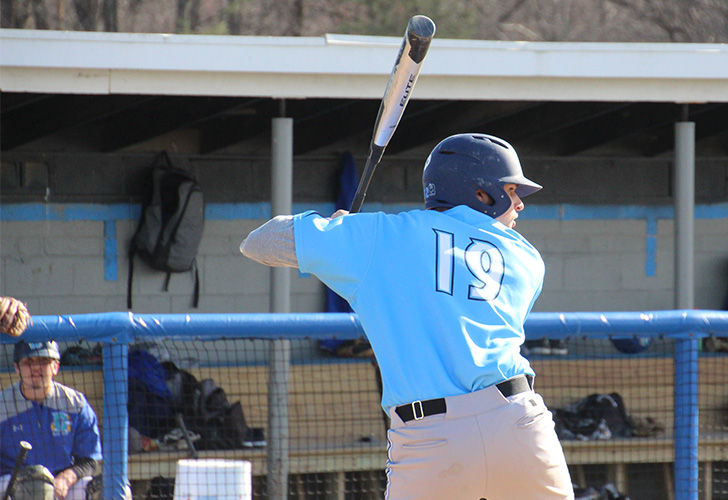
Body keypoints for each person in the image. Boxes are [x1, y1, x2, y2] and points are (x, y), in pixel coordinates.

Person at [241, 133, 573, 499]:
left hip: (429, 437)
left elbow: (257, 242)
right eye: (511, 191)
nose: (519, 204)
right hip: (519, 425)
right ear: (480, 193)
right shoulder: (527, 259)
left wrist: (338, 231)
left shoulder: (383, 234)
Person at [1, 340, 102, 500]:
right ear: (17, 368)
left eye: (43, 361)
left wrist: (67, 478)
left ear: (55, 366)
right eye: (28, 362)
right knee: (34, 488)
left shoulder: (75, 403)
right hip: (12, 484)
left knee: (108, 489)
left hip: (61, 484)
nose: (35, 368)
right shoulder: (2, 406)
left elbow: (89, 459)